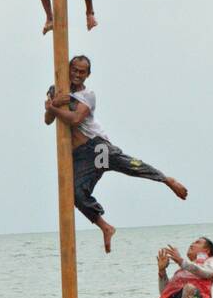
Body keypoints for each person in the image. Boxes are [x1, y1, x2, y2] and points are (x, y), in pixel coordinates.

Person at [44, 55, 188, 253]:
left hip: (96, 146)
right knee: (75, 194)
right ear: (68, 69)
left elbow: (76, 119)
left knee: (126, 164)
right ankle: (105, 226)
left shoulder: (88, 95)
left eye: (82, 72)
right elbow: (48, 120)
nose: (77, 74)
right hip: (80, 156)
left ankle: (165, 179)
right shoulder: (56, 90)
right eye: (74, 70)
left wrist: (53, 107)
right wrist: (51, 107)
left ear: (88, 74)